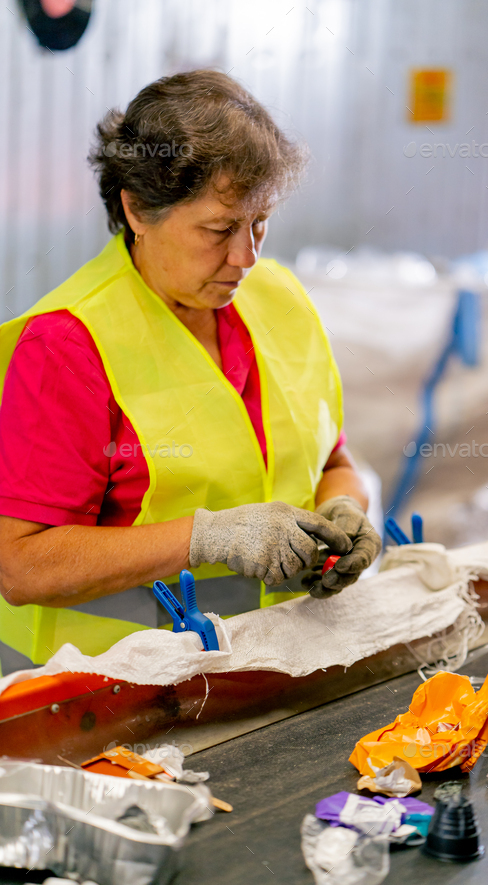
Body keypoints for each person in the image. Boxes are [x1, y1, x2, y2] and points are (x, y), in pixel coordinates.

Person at [0, 70, 381, 675]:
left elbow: (331, 462)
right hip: (113, 696)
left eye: (260, 223)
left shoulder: (279, 300)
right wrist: (208, 538)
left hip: (272, 675)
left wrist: (347, 510)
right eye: (219, 229)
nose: (246, 257)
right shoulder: (67, 346)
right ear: (137, 210)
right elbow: (22, 566)